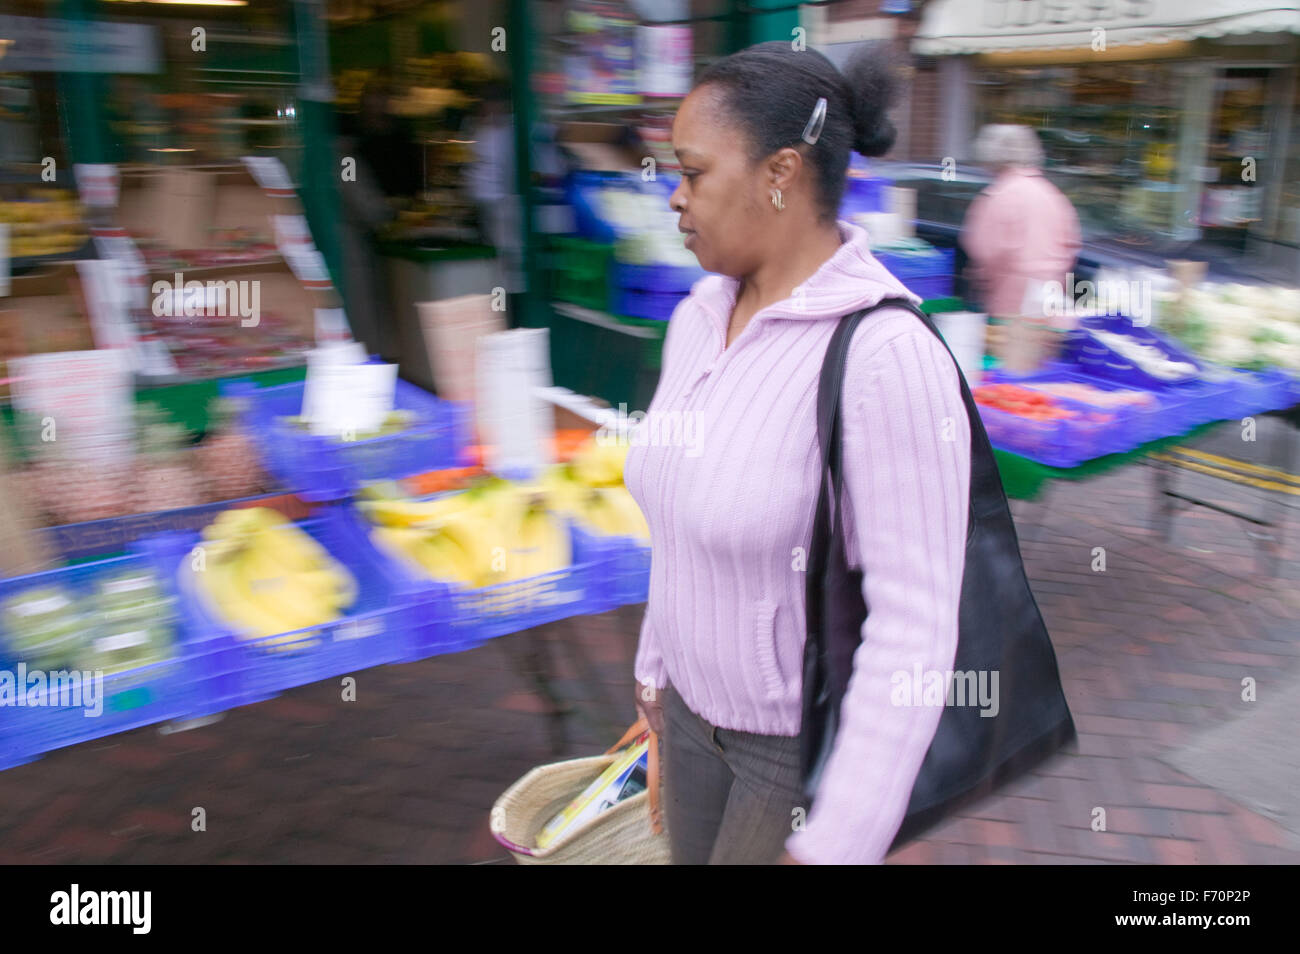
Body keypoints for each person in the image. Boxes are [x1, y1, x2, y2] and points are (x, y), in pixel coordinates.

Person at [627, 42, 971, 865]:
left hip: (790, 752)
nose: (674, 198)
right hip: (686, 722)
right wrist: (655, 678)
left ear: (780, 172)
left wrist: (834, 846)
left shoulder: (888, 355)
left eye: (693, 172)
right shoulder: (697, 319)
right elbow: (676, 523)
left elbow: (916, 633)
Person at [960, 124, 1082, 372]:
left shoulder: (998, 196)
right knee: (1042, 383)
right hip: (1050, 308)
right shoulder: (1052, 194)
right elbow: (1071, 246)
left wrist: (980, 282)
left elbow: (984, 251)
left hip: (1010, 313)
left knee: (1009, 384)